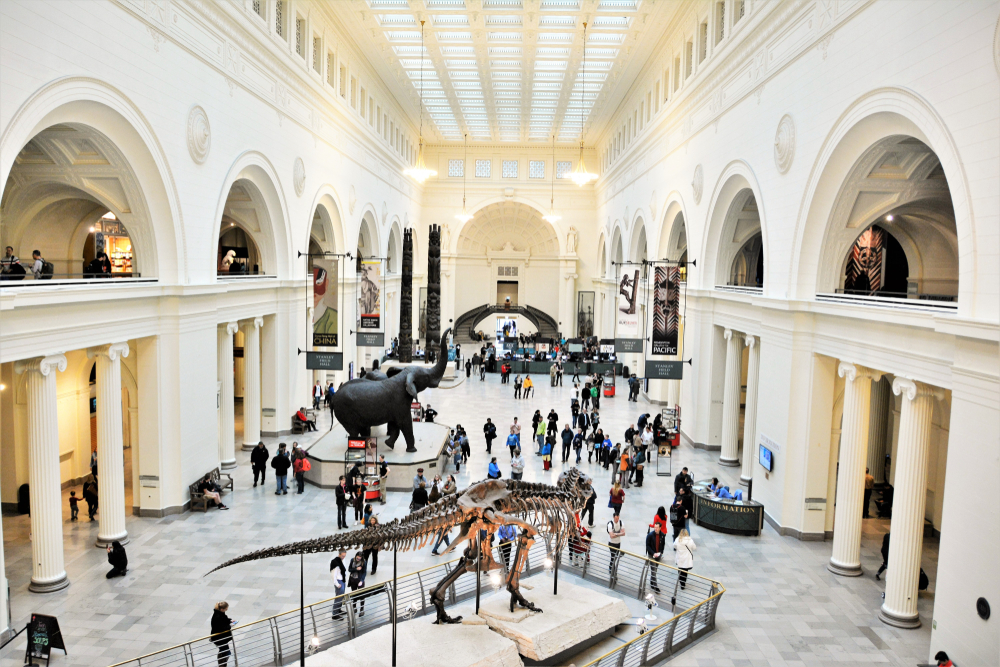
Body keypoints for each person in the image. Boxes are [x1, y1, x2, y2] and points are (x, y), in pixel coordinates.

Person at [210, 602, 234, 667]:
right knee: (226, 652)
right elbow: (220, 628)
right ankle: (222, 665)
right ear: (222, 609)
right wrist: (230, 626)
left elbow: (224, 620)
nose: (226, 610)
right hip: (219, 639)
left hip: (220, 638)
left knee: (223, 651)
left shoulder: (220, 614)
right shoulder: (217, 617)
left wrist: (230, 621)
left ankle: (222, 665)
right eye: (226, 609)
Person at [646, 523, 666, 593]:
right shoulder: (650, 535)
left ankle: (652, 581)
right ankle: (655, 586)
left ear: (660, 528)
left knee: (655, 570)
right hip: (652, 555)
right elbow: (647, 546)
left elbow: (663, 544)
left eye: (657, 527)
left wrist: (661, 553)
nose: (655, 529)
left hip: (658, 555)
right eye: (655, 527)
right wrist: (653, 553)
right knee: (654, 570)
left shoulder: (662, 535)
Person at [347, 551, 368, 617]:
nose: (358, 559)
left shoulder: (364, 562)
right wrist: (356, 569)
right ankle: (354, 607)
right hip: (353, 579)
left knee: (362, 595)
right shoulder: (352, 560)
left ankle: (362, 609)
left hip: (359, 580)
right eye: (357, 558)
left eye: (359, 558)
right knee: (354, 594)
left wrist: (361, 580)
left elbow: (364, 572)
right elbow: (349, 569)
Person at [331, 549, 348, 619]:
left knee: (341, 596)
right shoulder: (335, 562)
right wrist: (337, 584)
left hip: (342, 580)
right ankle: (335, 614)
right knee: (338, 597)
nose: (344, 557)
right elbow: (333, 575)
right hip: (339, 581)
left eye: (344, 556)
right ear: (339, 554)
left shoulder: (343, 560)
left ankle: (338, 609)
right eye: (343, 556)